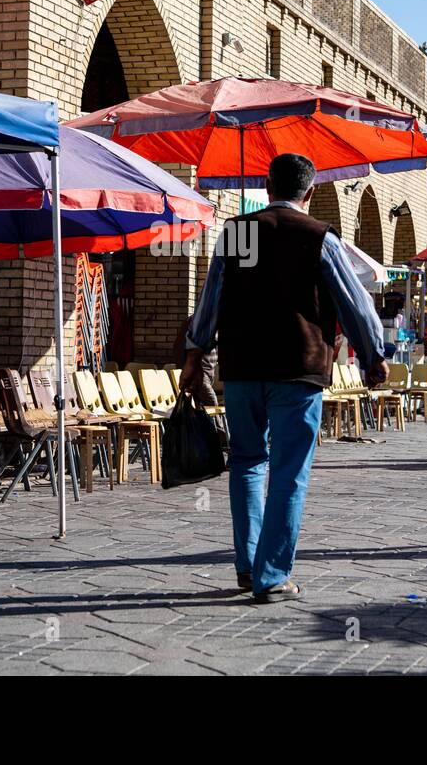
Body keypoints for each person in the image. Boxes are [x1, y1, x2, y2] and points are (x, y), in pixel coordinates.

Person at [181, 153, 387, 603]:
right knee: (289, 471)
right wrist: (374, 355)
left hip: (241, 369)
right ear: (309, 192)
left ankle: (247, 565)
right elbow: (355, 303)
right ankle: (271, 575)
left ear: (266, 186)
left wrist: (196, 351)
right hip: (298, 369)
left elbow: (210, 298)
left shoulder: (237, 233)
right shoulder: (319, 237)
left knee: (247, 462)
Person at [173, 314, 218, 406]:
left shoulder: (212, 322)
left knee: (201, 407)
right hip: (199, 373)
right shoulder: (197, 322)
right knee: (212, 405)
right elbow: (179, 347)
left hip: (207, 373)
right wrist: (186, 368)